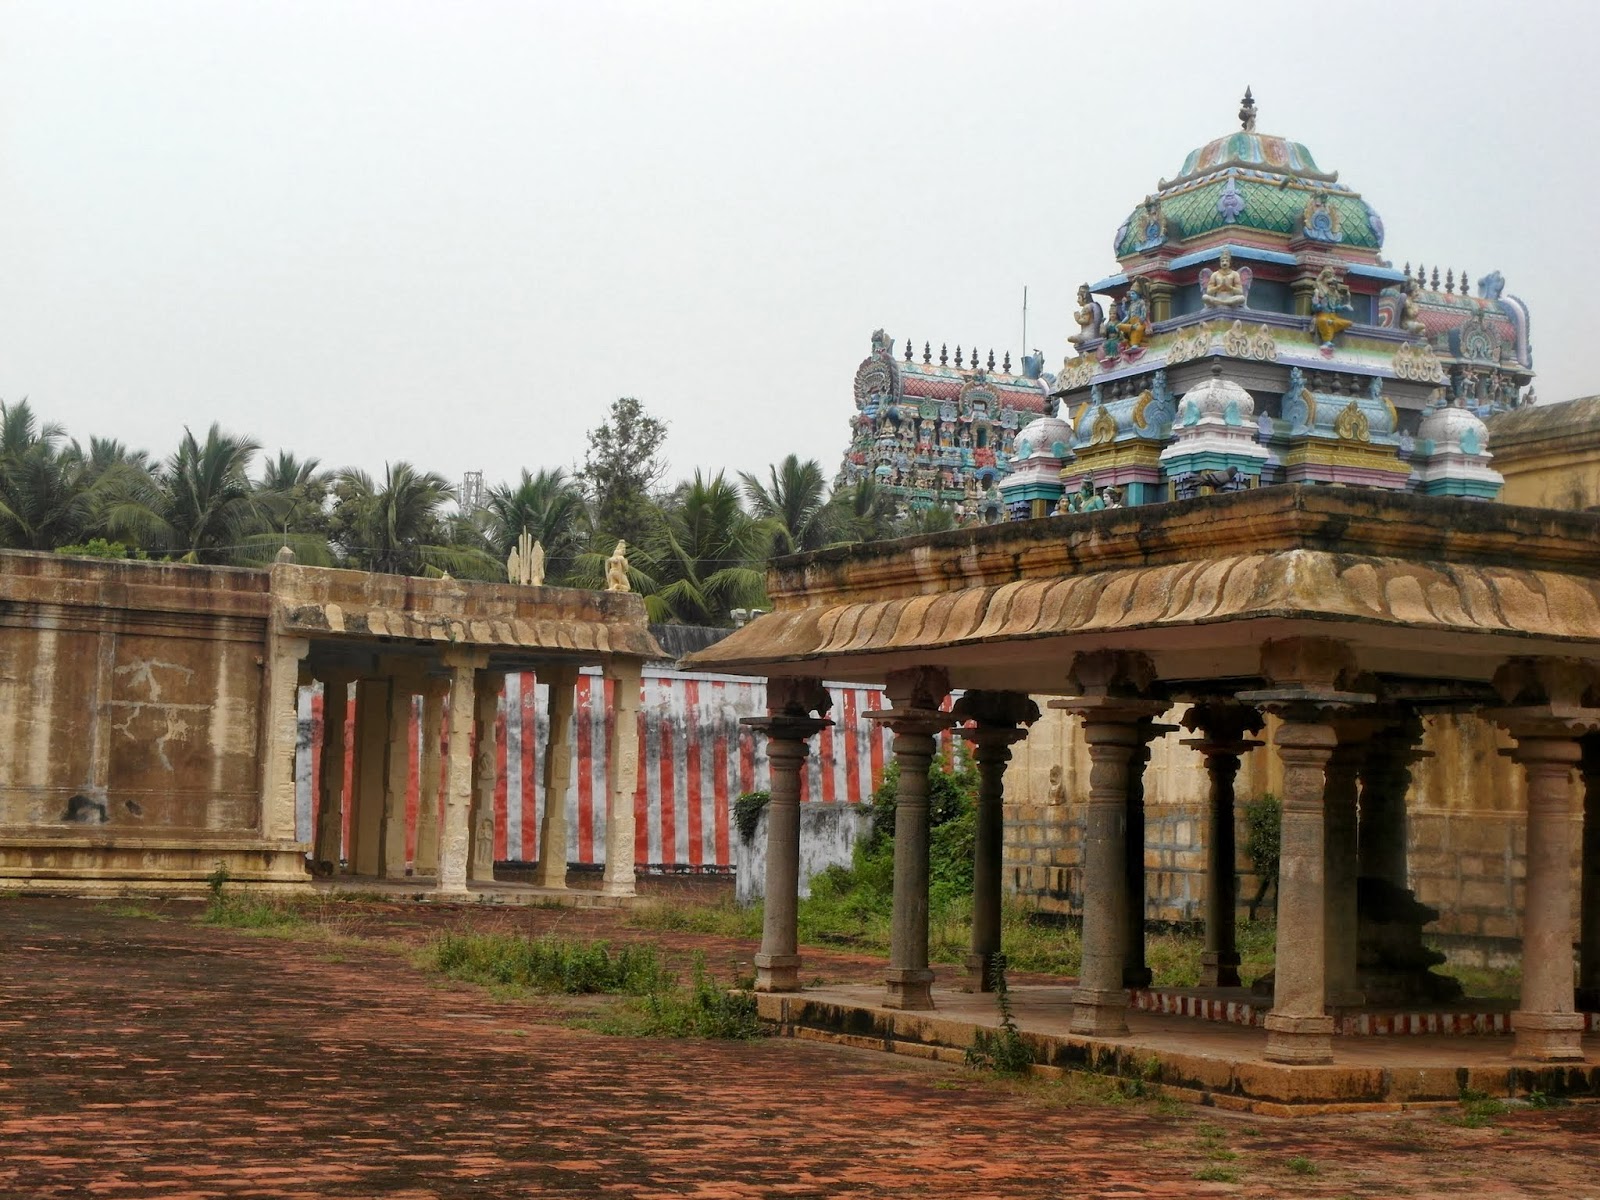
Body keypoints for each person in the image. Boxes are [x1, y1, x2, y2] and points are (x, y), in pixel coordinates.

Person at [1311, 267, 1354, 348]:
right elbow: (1314, 308)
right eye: (1329, 284)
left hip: (1333, 317)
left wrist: (1345, 308)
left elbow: (1336, 308)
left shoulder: (1335, 295)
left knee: (1349, 323)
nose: (1332, 286)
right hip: (1323, 315)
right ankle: (1326, 341)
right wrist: (1321, 306)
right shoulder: (1319, 292)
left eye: (1333, 284)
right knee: (1324, 321)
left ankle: (1332, 323)